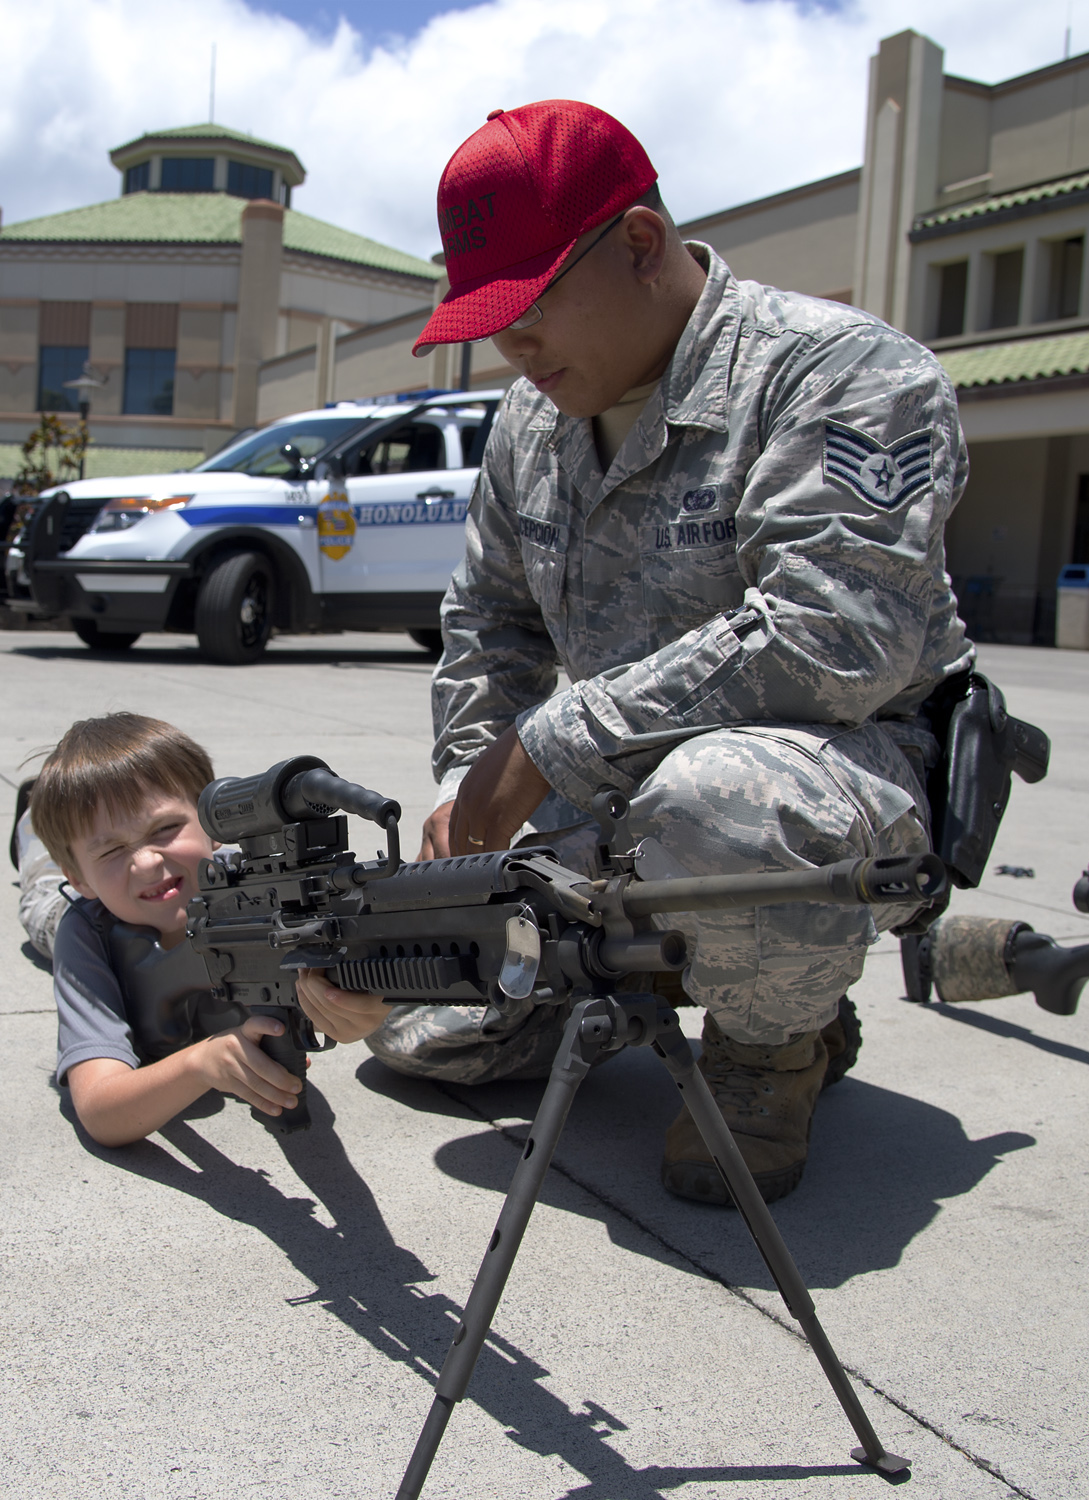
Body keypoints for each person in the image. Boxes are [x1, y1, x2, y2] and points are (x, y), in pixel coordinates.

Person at [372, 100, 973, 1206]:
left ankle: (772, 1042)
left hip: (831, 785)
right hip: (607, 789)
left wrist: (544, 746)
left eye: (529, 309)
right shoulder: (531, 420)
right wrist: (470, 794)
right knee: (419, 1031)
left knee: (718, 800)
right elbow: (490, 622)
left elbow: (837, 634)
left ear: (641, 244)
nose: (511, 348)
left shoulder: (840, 372)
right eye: (490, 320)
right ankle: (642, 976)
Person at [28, 713, 387, 1147]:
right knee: (39, 893)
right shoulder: (84, 931)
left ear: (211, 826)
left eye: (165, 828)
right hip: (74, 910)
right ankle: (29, 833)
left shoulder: (263, 891)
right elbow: (102, 1112)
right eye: (111, 850)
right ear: (80, 877)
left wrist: (356, 1014)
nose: (146, 862)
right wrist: (200, 1065)